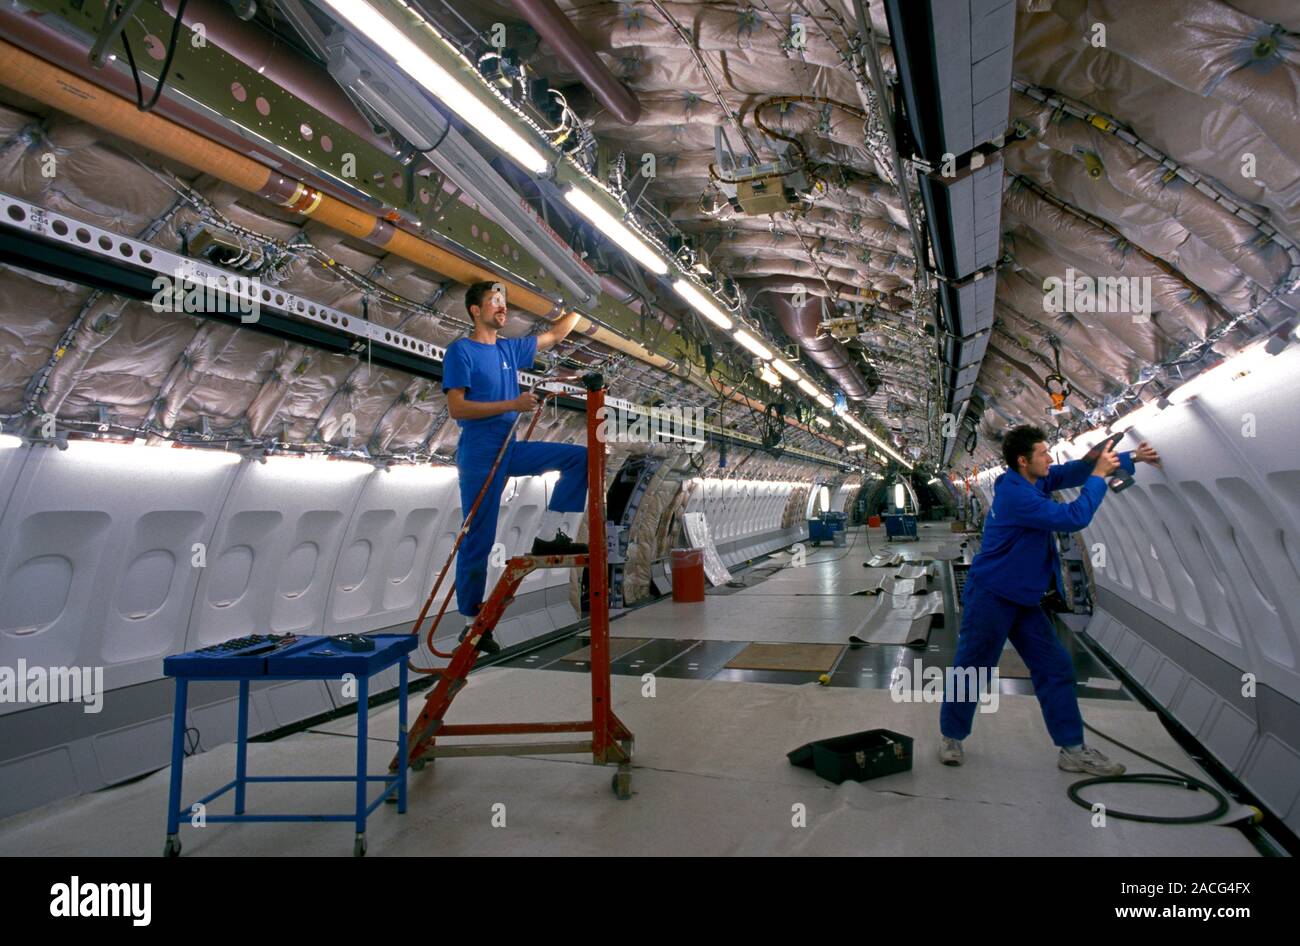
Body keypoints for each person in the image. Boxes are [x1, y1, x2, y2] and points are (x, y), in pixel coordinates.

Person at [938, 424, 1161, 774]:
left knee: (1055, 667)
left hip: (1023, 599)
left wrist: (1131, 457)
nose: (1049, 458)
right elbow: (1074, 518)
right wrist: (1100, 475)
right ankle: (952, 735)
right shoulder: (1017, 497)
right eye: (1043, 453)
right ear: (1024, 460)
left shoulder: (1029, 479)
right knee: (973, 667)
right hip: (992, 596)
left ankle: (1072, 749)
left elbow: (1070, 472)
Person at [442, 281, 588, 655]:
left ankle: (551, 533)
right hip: (479, 451)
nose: (502, 308)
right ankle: (472, 622)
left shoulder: (509, 348)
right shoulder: (461, 352)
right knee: (480, 537)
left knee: (579, 458)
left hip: (509, 447)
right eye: (494, 302)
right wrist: (512, 405)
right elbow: (457, 409)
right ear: (475, 310)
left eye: (504, 303)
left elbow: (555, 334)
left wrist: (586, 302)